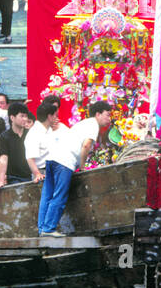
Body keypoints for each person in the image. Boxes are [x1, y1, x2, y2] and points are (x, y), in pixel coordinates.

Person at [38, 101, 112, 236]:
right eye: (107, 115)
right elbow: (86, 146)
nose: (109, 119)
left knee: (47, 195)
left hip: (52, 159)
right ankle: (48, 229)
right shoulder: (93, 125)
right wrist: (82, 167)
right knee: (59, 196)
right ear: (98, 114)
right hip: (64, 162)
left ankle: (42, 228)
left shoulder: (84, 123)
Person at [25, 97, 63, 181]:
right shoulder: (34, 133)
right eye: (54, 114)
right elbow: (30, 158)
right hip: (42, 172)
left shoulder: (50, 129)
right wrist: (37, 173)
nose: (56, 116)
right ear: (49, 116)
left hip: (55, 169)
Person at [0, 103, 33, 184]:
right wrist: (1, 180)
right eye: (22, 116)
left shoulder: (30, 134)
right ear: (12, 117)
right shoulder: (4, 137)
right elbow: (3, 159)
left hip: (30, 176)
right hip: (13, 178)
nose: (25, 119)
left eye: (26, 116)